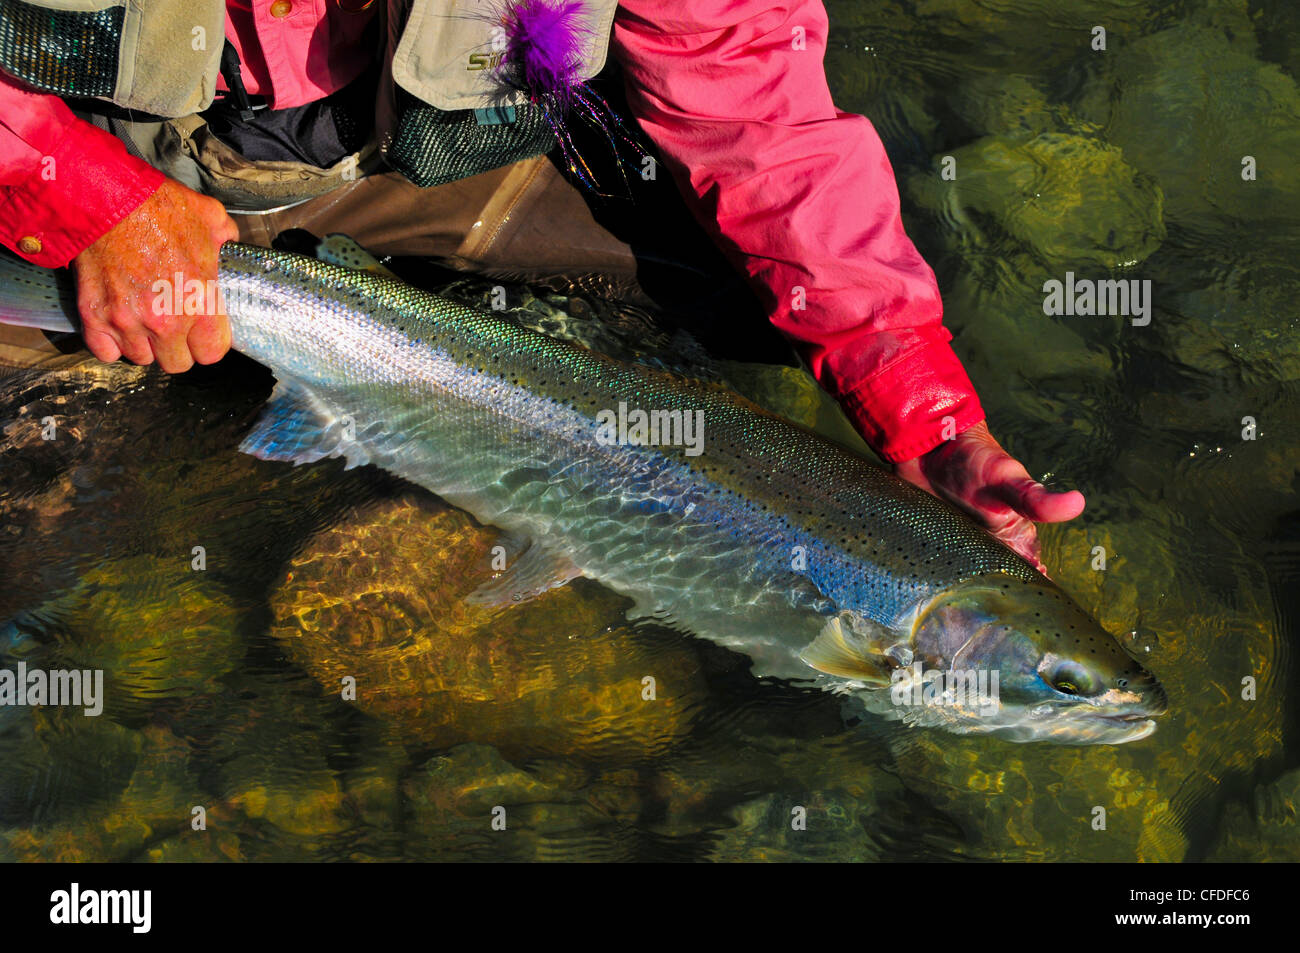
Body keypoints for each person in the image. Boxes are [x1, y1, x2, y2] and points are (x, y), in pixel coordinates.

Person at [0, 0, 1082, 569]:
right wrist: (79, 195)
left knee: (758, 300)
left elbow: (758, 117)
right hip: (70, 146)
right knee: (38, 514)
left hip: (416, 154)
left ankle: (415, 345)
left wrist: (923, 413)